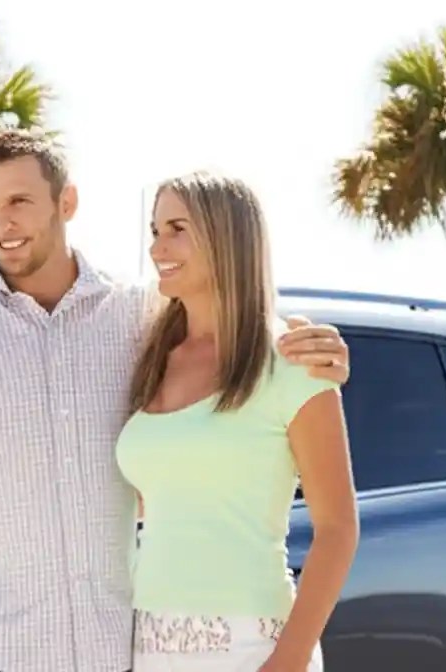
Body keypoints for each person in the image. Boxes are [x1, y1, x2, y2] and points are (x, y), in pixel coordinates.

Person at [0, 130, 350, 672]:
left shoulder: (139, 315)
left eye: (19, 201)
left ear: (67, 203)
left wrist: (324, 349)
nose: (1, 224)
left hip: (112, 650)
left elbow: (233, 316)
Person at [118, 172, 359, 671]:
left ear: (227, 237)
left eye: (177, 228)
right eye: (155, 229)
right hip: (149, 643)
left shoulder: (294, 360)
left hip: (252, 646)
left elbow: (338, 529)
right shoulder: (151, 359)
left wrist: (287, 662)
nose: (158, 246)